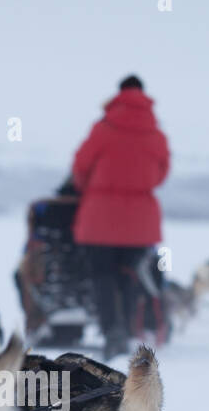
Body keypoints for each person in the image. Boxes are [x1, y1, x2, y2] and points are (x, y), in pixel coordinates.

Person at [71, 75, 170, 360]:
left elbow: (81, 166)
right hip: (140, 221)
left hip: (99, 217)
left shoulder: (104, 128)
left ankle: (110, 330)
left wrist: (89, 189)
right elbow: (161, 174)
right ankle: (127, 329)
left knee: (102, 275)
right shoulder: (156, 133)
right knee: (129, 276)